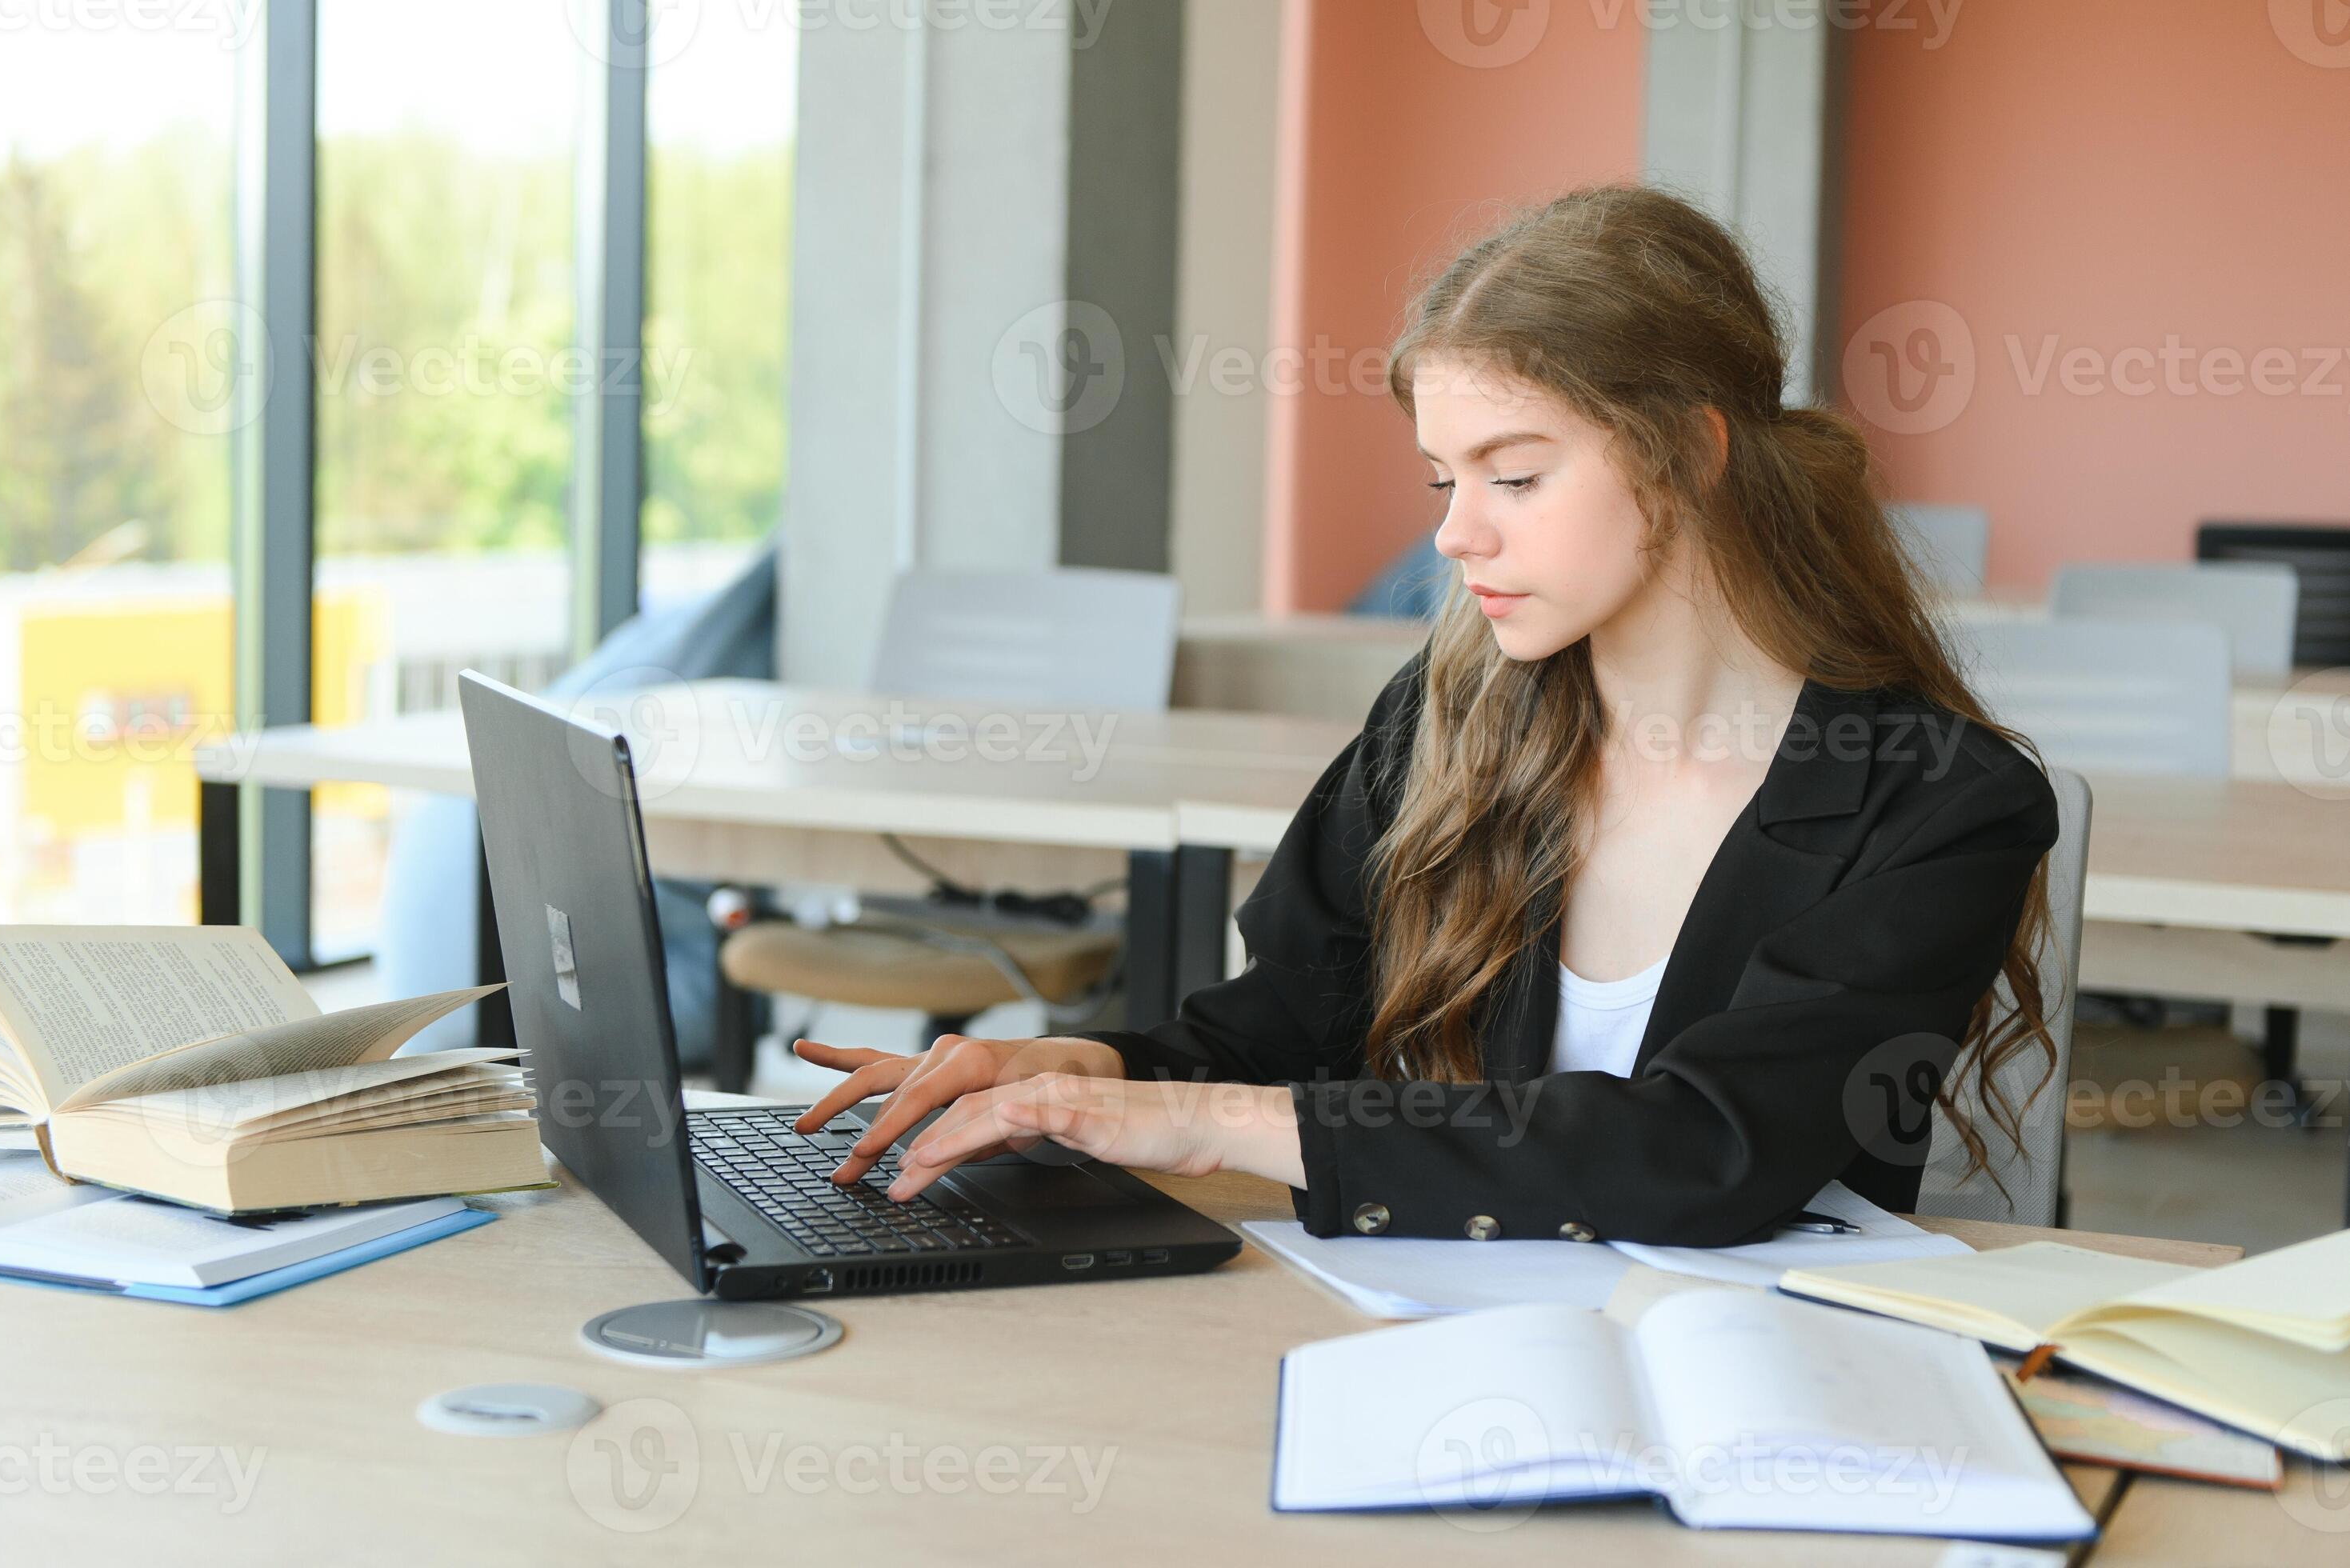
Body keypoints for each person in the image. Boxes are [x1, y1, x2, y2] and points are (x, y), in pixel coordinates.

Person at [793, 185, 2061, 1246]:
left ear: (1691, 450)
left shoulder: (1939, 803)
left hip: (1756, 1374)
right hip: (1454, 1326)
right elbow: (1295, 1018)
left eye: (1514, 474)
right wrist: (1087, 1074)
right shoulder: (1445, 718)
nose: (1456, 533)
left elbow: (1710, 1153)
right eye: (1446, 479)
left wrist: (1196, 1124)